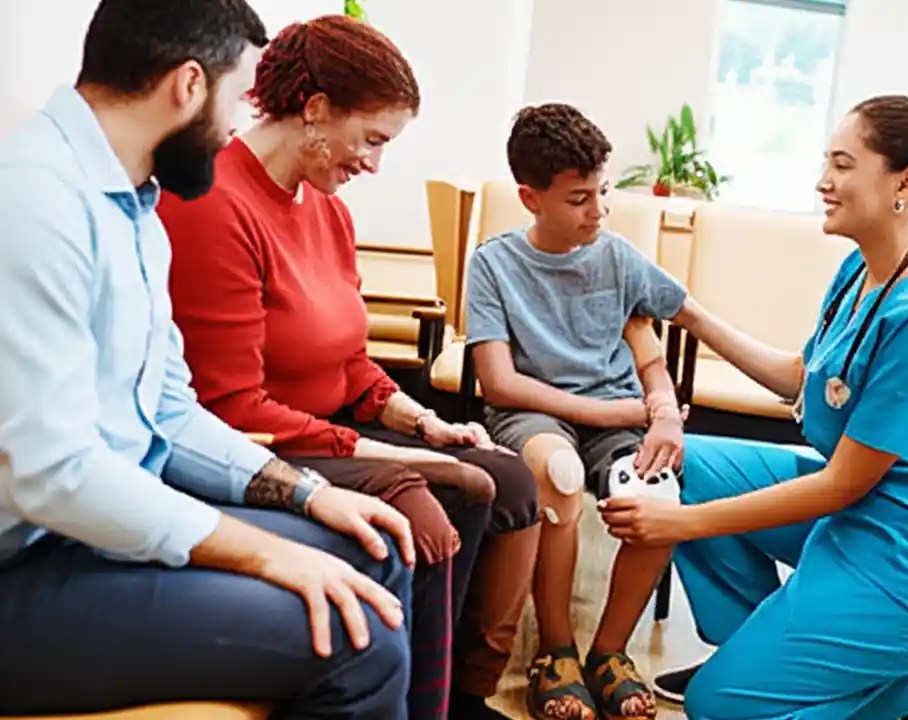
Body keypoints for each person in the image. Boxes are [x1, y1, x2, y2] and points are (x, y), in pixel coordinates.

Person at [0, 2, 448, 719]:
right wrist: (262, 552)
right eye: (237, 96)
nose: (240, 124)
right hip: (27, 565)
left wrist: (310, 494)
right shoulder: (33, 200)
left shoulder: (135, 204)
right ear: (186, 85)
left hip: (89, 535)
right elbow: (53, 476)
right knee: (360, 643)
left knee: (372, 547)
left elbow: (171, 408)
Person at [154, 15, 540, 720]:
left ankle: (460, 691)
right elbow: (232, 409)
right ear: (315, 110)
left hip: (323, 426)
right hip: (257, 445)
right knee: (454, 491)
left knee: (506, 471)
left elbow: (352, 361)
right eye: (372, 140)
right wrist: (388, 455)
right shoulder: (214, 203)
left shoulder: (325, 210)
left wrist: (425, 422)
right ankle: (422, 702)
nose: (374, 164)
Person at [600, 94, 908, 720]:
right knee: (681, 467)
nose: (823, 182)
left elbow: (843, 484)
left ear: (906, 184)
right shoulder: (862, 269)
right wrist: (688, 312)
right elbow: (801, 377)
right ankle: (774, 656)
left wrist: (677, 526)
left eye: (842, 165)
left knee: (716, 708)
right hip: (863, 511)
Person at [466, 103, 687, 720]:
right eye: (579, 198)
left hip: (615, 411)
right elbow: (499, 383)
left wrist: (662, 408)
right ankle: (555, 651)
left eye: (604, 192)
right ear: (530, 197)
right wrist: (607, 415)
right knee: (557, 474)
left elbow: (650, 333)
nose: (599, 210)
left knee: (659, 492)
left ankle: (609, 653)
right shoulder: (492, 263)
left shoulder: (616, 256)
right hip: (535, 415)